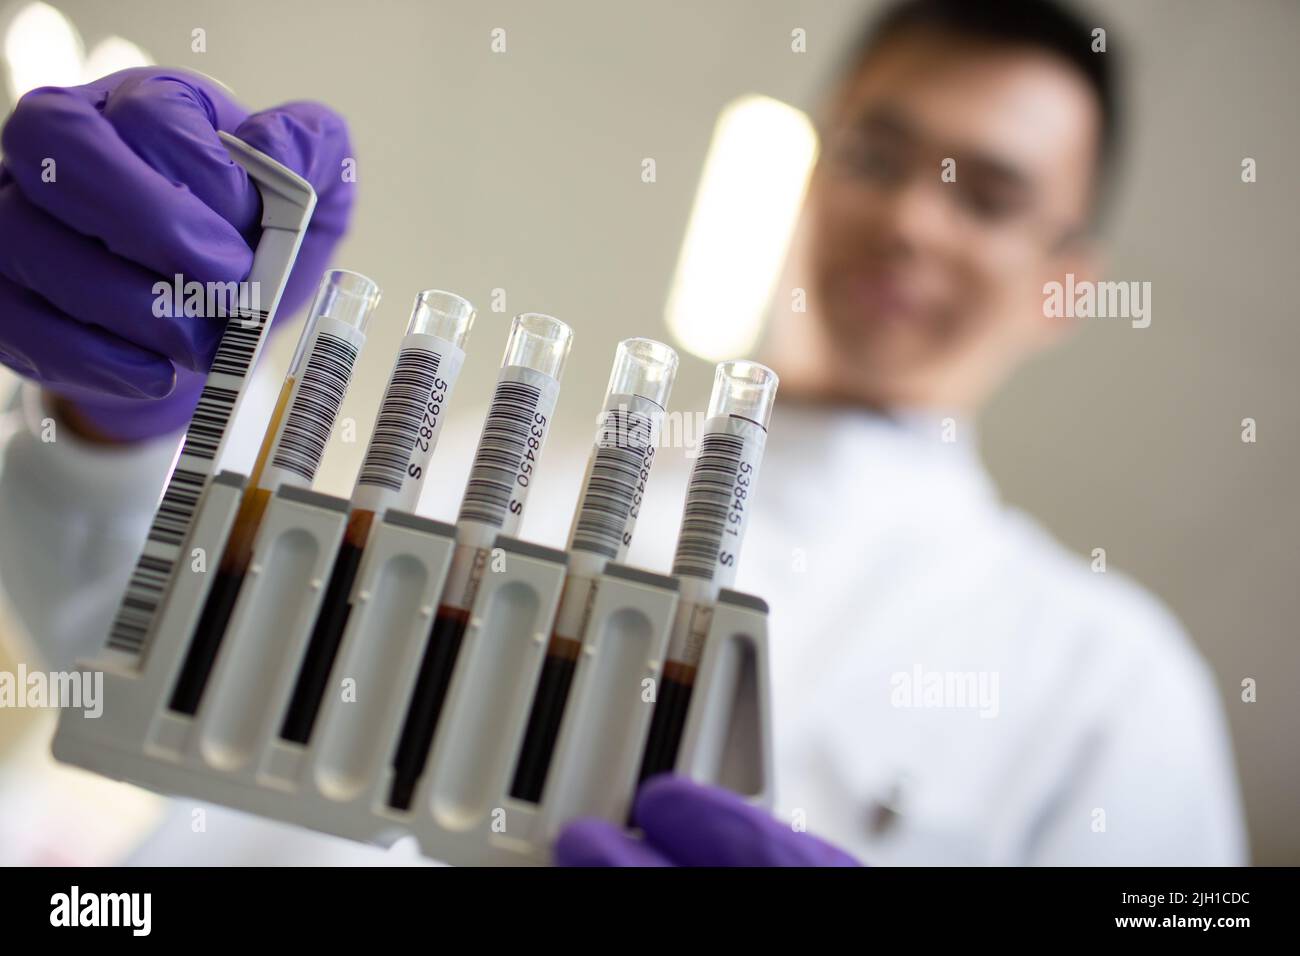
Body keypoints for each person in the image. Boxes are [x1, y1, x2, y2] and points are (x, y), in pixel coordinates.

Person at [0, 0, 1245, 866]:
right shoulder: (482, 450)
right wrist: (119, 405)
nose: (915, 222)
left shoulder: (1109, 676)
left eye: (989, 193)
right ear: (809, 181)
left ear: (1066, 283)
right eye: (878, 156)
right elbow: (129, 643)